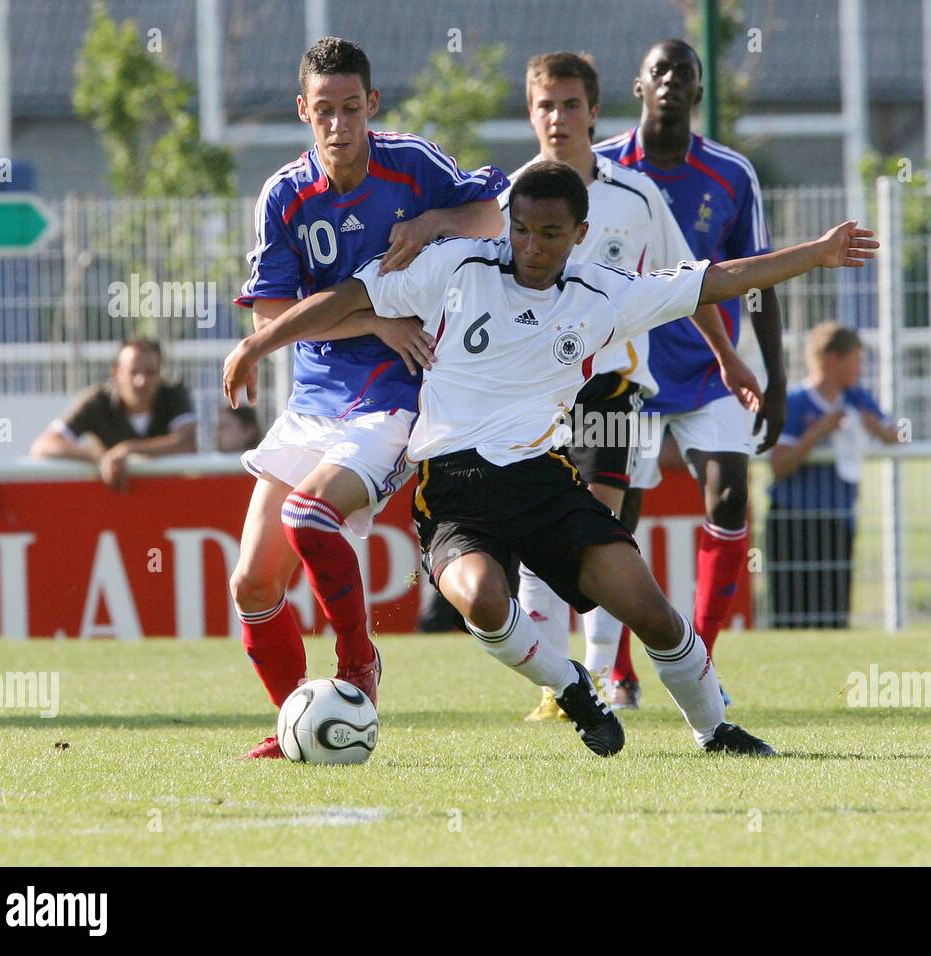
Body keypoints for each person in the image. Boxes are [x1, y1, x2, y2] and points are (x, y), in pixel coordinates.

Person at [223, 161, 879, 758]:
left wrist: (817, 254)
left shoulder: (604, 294)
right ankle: (570, 685)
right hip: (453, 492)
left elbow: (718, 279)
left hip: (542, 484)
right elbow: (346, 299)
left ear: (579, 232)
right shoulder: (455, 265)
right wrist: (259, 345)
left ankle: (715, 729)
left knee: (648, 610)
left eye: (551, 234)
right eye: (522, 230)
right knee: (479, 598)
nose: (533, 248)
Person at [228, 37, 506, 758]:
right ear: (303, 112)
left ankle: (359, 667)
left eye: (351, 108)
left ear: (371, 105)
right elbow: (270, 319)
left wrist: (436, 222)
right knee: (252, 583)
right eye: (324, 111)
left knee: (309, 515)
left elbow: (495, 218)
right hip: (316, 395)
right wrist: (374, 319)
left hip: (393, 394)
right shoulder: (284, 196)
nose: (339, 125)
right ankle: (299, 724)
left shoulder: (411, 164)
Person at [495, 50, 760, 721]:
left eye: (571, 105)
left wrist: (726, 355)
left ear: (593, 110)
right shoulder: (503, 203)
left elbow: (688, 281)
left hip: (614, 387)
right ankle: (556, 688)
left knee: (599, 528)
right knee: (536, 533)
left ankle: (606, 679)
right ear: (530, 112)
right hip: (533, 390)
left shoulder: (637, 196)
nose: (558, 118)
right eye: (545, 105)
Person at [594, 39, 786, 709]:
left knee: (730, 493)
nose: (672, 80)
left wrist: (778, 376)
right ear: (639, 87)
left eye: (685, 73)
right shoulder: (603, 170)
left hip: (711, 371)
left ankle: (696, 661)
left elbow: (757, 280)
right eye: (660, 71)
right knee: (617, 517)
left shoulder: (733, 174)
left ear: (698, 93)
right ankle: (615, 671)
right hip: (629, 371)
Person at [767, 323, 896, 629]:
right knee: (790, 617)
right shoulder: (794, 401)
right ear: (833, 359)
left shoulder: (857, 398)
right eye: (856, 359)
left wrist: (876, 428)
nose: (860, 368)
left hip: (838, 521)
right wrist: (819, 431)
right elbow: (779, 463)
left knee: (834, 617)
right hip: (793, 521)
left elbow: (897, 435)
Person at [30, 337, 196, 490]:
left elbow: (187, 444)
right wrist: (102, 458)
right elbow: (44, 445)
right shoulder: (97, 401)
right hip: (108, 508)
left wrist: (127, 450)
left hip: (166, 502)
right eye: (134, 372)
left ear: (160, 373)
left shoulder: (174, 394)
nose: (141, 381)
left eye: (150, 372)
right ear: (117, 372)